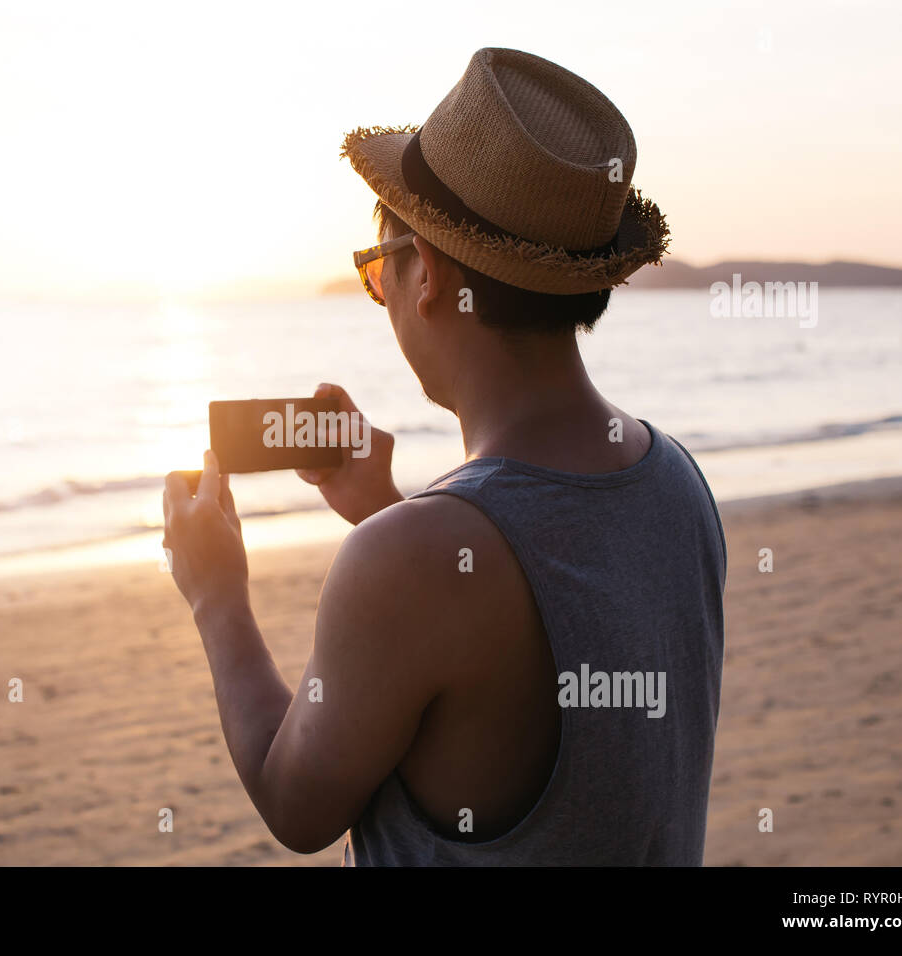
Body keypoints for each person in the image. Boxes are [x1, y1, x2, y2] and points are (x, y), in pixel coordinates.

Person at [162, 47, 725, 865]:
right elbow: (514, 649)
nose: (382, 295)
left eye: (376, 270)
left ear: (425, 274)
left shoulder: (407, 562)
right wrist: (384, 506)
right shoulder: (674, 480)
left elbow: (296, 805)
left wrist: (217, 597)